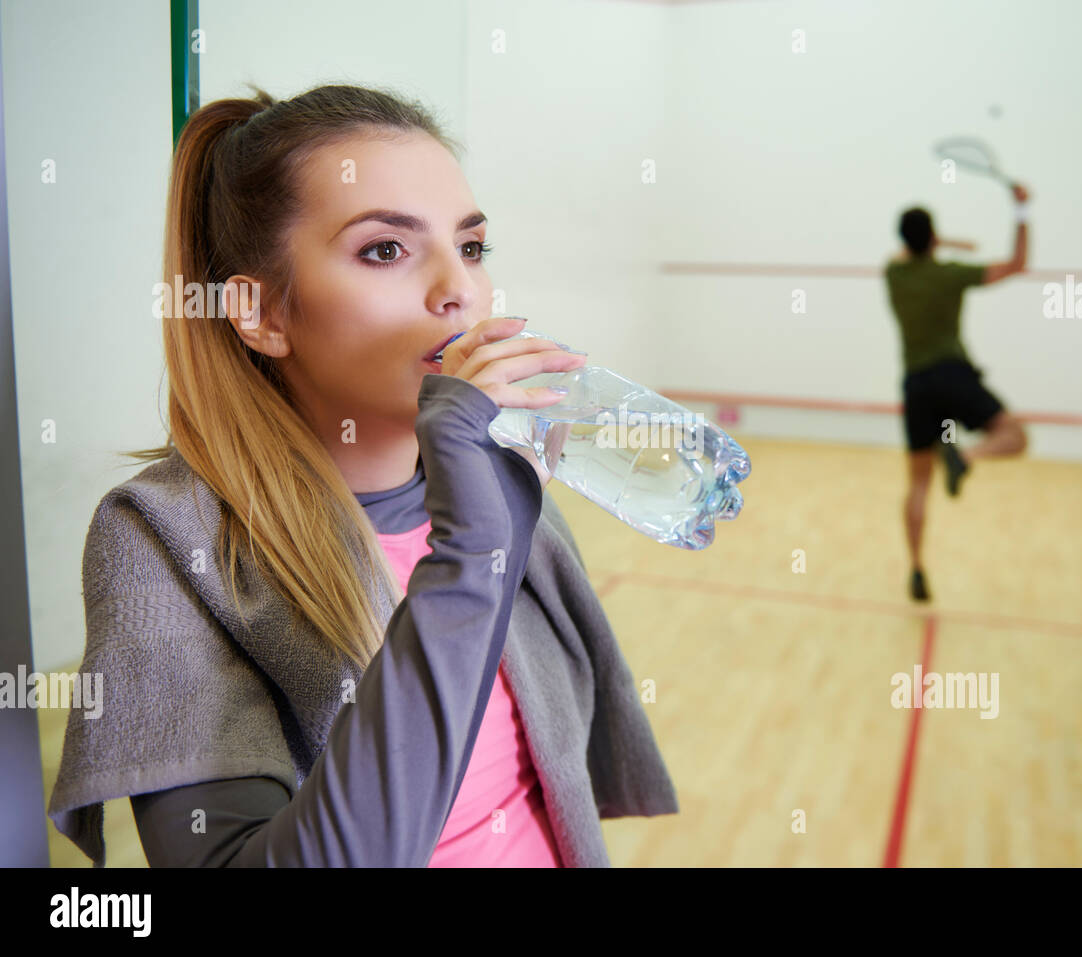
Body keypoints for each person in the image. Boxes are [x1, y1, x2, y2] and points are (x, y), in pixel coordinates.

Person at [47, 83, 678, 867]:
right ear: (262, 313)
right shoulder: (162, 538)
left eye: (471, 247)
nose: (460, 291)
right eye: (386, 249)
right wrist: (470, 562)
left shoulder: (495, 482)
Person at [882, 183, 1032, 602]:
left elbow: (902, 253)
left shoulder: (893, 275)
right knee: (1015, 437)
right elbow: (1018, 263)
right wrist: (1021, 210)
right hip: (953, 376)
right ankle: (964, 455)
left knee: (918, 484)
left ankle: (915, 568)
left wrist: (929, 242)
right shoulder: (951, 275)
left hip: (915, 388)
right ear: (931, 238)